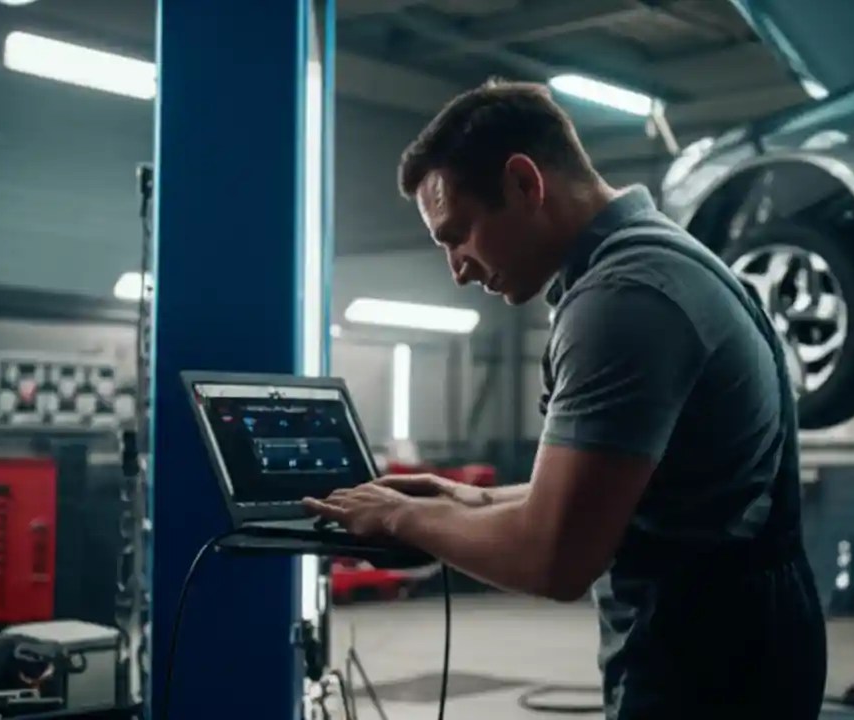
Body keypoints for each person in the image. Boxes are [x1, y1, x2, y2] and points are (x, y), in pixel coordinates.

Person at [303, 79, 827, 719]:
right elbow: (620, 487)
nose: (457, 268)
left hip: (707, 668)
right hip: (737, 642)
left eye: (458, 232)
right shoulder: (654, 263)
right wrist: (467, 498)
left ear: (525, 184)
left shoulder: (624, 299)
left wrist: (399, 520)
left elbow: (553, 557)